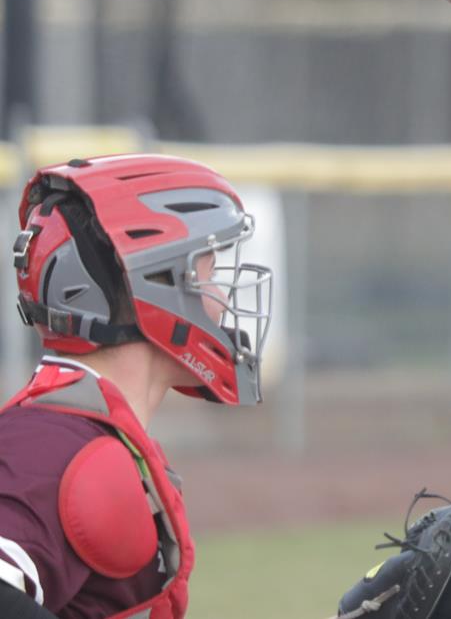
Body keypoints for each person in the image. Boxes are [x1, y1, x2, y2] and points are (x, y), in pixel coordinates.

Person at [0, 154, 272, 619]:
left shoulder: (74, 431)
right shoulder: (47, 448)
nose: (223, 298)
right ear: (157, 284)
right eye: (207, 271)